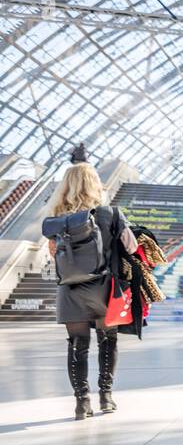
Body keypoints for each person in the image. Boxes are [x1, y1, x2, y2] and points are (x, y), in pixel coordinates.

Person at [45, 162, 137, 420]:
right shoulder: (109, 213)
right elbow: (131, 247)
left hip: (70, 290)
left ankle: (81, 402)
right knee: (108, 340)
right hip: (104, 289)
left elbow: (52, 253)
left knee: (77, 345)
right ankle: (106, 396)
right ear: (96, 184)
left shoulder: (56, 219)